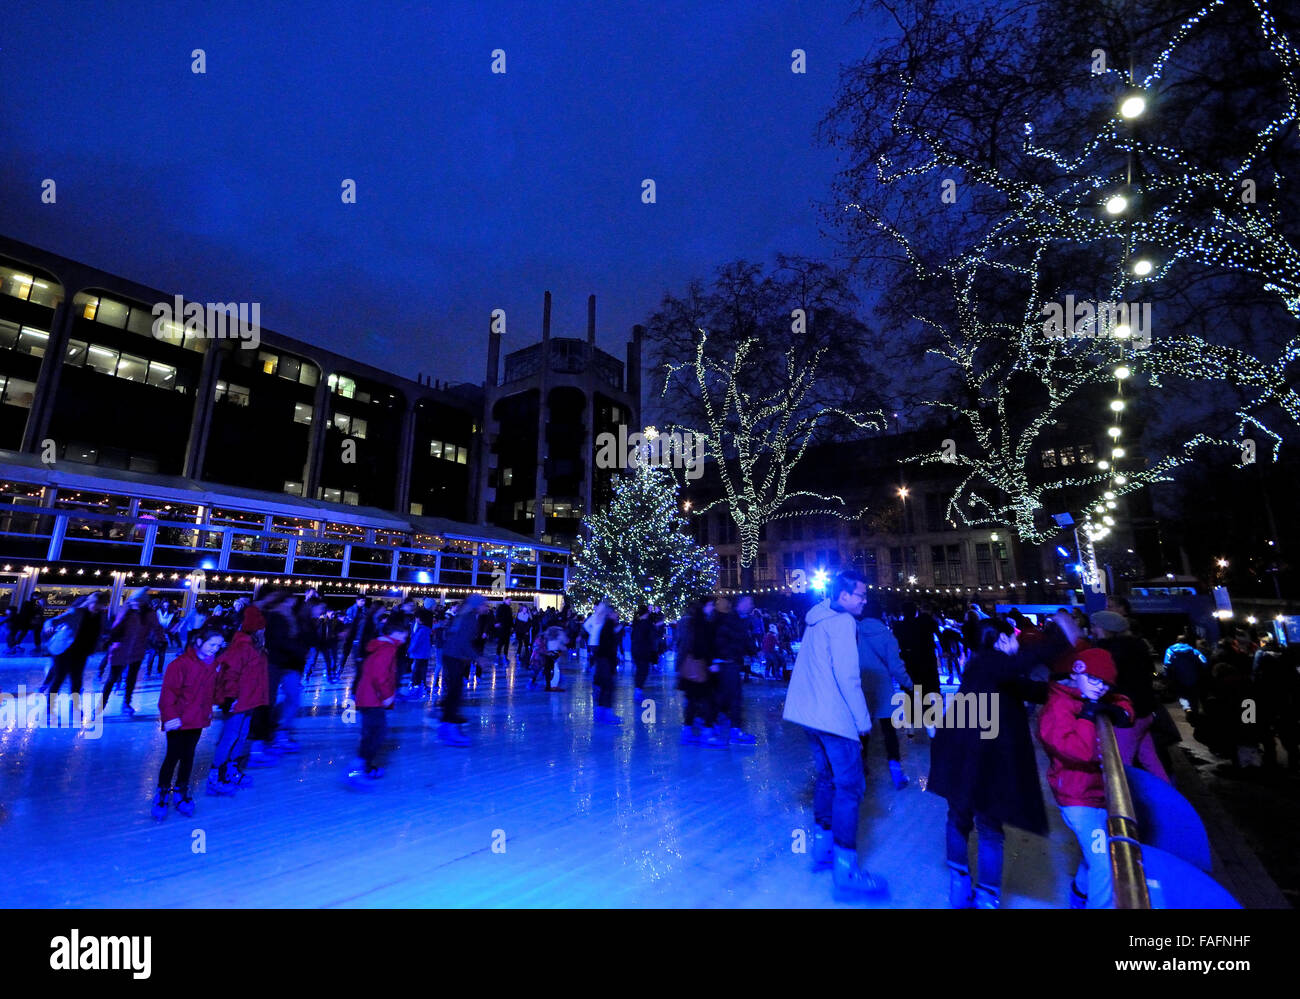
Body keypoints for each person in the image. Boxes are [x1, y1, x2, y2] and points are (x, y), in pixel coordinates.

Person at [928, 617, 1049, 909]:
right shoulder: (989, 662)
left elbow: (1030, 689)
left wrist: (1070, 691)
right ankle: (981, 894)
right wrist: (1061, 635)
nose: (1018, 643)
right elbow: (1024, 664)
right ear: (1001, 641)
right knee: (987, 827)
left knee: (962, 819)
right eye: (1014, 637)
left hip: (961, 757)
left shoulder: (987, 668)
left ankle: (968, 888)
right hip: (978, 762)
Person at [782, 570, 888, 899]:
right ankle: (845, 871)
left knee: (826, 779)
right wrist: (861, 720)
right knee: (850, 787)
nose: (865, 599)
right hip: (833, 717)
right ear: (844, 596)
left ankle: (822, 848)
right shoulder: (842, 623)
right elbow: (848, 678)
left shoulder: (817, 618)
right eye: (860, 594)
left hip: (810, 714)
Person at [1038, 647, 1134, 909]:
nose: (1100, 687)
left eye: (1105, 683)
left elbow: (1122, 699)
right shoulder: (1057, 708)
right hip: (1077, 798)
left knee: (1095, 854)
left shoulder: (1087, 694)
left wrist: (1121, 711)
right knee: (1105, 861)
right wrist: (1089, 715)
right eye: (1094, 679)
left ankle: (1080, 895)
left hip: (1097, 794)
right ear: (1076, 672)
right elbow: (1078, 752)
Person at [151, 626, 225, 820]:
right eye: (212, 644)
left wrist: (225, 700)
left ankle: (182, 788)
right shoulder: (180, 664)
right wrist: (170, 716)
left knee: (188, 755)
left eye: (218, 645)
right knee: (173, 755)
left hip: (198, 718)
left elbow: (213, 692)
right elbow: (168, 693)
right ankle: (162, 790)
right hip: (178, 719)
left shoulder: (214, 664)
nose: (215, 648)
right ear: (199, 642)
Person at [1089, 610, 1169, 781]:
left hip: (1129, 714)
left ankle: (1130, 803)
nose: (1092, 630)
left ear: (1105, 628)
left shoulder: (1113, 651)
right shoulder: (1137, 646)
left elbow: (1108, 678)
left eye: (1095, 626)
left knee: (1121, 762)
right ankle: (1170, 798)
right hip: (1145, 711)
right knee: (1149, 759)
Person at [208, 604, 269, 794]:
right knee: (230, 737)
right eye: (262, 627)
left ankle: (232, 769)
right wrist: (230, 697)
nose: (265, 630)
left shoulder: (256, 648)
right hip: (237, 701)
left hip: (250, 700)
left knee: (241, 736)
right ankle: (215, 774)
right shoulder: (242, 647)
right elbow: (231, 674)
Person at [856, 597, 912, 789]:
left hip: (859, 686)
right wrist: (909, 683)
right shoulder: (887, 636)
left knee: (862, 731)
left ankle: (861, 768)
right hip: (883, 688)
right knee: (889, 733)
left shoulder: (854, 632)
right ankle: (896, 774)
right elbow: (896, 667)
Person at [349, 613, 409, 784]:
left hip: (367, 696)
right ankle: (360, 766)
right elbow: (380, 676)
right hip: (373, 698)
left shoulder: (382, 646)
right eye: (404, 635)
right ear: (397, 633)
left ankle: (365, 766)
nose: (405, 639)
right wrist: (388, 696)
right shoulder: (387, 649)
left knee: (372, 732)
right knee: (378, 732)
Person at [100, 588, 159, 717]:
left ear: (144, 602)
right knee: (112, 678)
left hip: (137, 651)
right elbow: (115, 627)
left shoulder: (149, 614)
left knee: (131, 679)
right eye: (133, 600)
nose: (134, 603)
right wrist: (109, 638)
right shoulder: (126, 610)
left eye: (138, 601)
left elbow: (157, 627)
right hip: (120, 650)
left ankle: (126, 703)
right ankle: (101, 705)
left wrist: (161, 640)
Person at [708, 595, 757, 746]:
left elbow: (744, 639)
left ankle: (717, 725)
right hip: (726, 662)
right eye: (747, 602)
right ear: (740, 604)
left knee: (729, 697)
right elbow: (720, 638)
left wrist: (754, 651)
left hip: (732, 662)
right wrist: (716, 658)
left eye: (751, 603)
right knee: (730, 697)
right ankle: (721, 728)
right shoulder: (730, 619)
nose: (750, 605)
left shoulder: (743, 619)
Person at [436, 594, 485, 746]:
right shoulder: (469, 618)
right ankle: (450, 729)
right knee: (455, 692)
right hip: (454, 656)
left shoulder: (463, 615)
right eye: (484, 604)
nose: (486, 607)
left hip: (451, 655)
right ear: (476, 605)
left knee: (454, 691)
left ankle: (446, 722)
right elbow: (463, 642)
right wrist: (478, 658)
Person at [39, 591, 105, 699]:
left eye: (100, 605)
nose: (97, 607)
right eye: (95, 604)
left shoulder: (101, 616)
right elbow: (53, 620)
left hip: (82, 652)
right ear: (90, 602)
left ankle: (75, 706)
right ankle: (49, 705)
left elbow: (99, 632)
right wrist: (48, 626)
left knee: (77, 680)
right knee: (59, 678)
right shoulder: (77, 612)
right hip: (64, 650)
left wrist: (98, 643)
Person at [895, 601, 941, 739]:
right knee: (927, 694)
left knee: (910, 695)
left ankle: (910, 728)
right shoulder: (923, 623)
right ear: (916, 611)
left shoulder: (899, 627)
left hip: (909, 664)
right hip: (926, 664)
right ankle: (931, 727)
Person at [676, 598, 716, 744]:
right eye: (711, 604)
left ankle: (687, 732)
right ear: (705, 606)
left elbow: (684, 644)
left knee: (693, 701)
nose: (713, 607)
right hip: (698, 668)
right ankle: (707, 732)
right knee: (705, 700)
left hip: (690, 668)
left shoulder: (692, 622)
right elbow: (699, 646)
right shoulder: (700, 623)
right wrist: (711, 662)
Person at [592, 603, 623, 726]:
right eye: (615, 612)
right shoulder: (609, 626)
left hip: (602, 660)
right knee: (608, 687)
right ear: (610, 614)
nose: (617, 614)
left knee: (605, 687)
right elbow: (609, 646)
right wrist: (613, 661)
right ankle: (607, 715)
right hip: (606, 661)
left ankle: (600, 714)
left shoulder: (606, 625)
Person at [1163, 635, 1207, 715]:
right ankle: (1195, 713)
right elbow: (1204, 661)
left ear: (1176, 641)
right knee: (1194, 697)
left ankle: (1187, 710)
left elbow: (1166, 664)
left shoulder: (1170, 651)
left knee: (1182, 695)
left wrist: (1168, 675)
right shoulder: (1193, 650)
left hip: (1179, 679)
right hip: (1193, 678)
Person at [630, 605, 658, 701]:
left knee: (639, 670)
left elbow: (632, 636)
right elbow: (654, 635)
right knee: (643, 670)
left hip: (635, 650)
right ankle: (638, 691)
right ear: (647, 613)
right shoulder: (648, 624)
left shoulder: (636, 623)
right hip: (644, 650)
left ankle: (637, 690)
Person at [528, 625, 568, 691]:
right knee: (537, 670)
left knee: (545, 670)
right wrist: (547, 652)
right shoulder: (542, 638)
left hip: (543, 657)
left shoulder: (547, 637)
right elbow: (538, 647)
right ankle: (532, 684)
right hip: (538, 657)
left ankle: (547, 685)